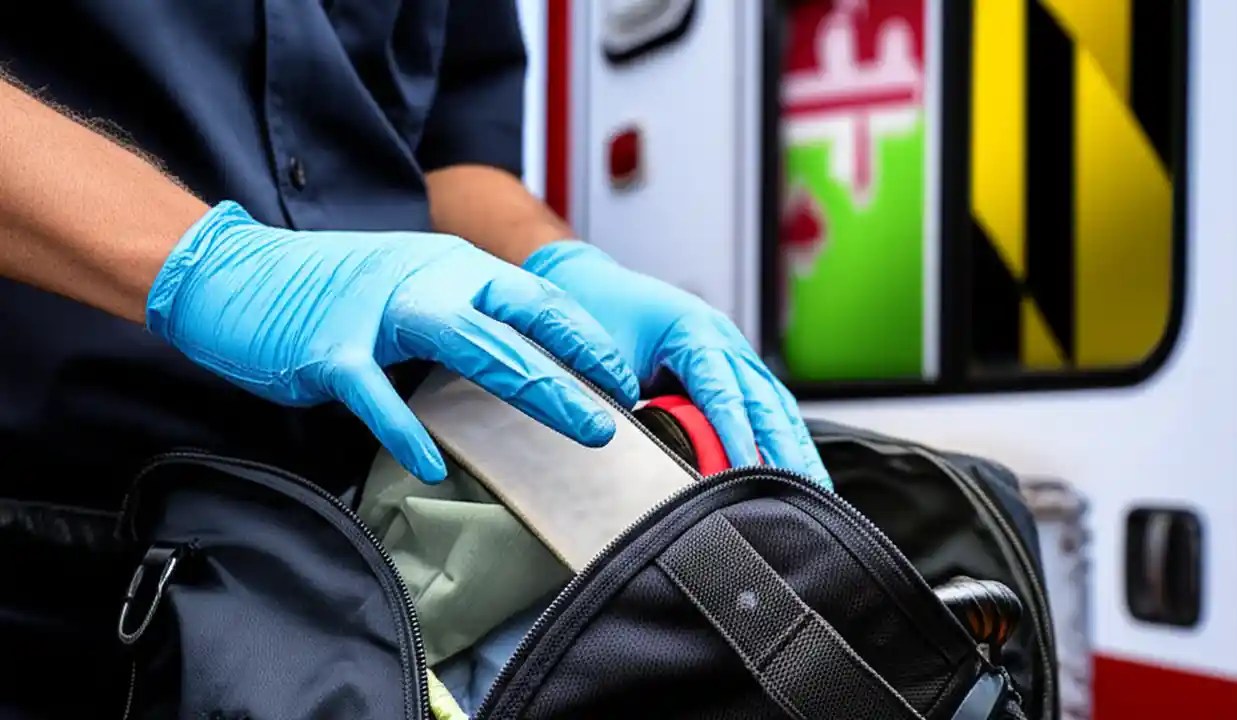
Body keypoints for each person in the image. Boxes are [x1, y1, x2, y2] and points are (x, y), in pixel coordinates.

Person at [0, 1, 829, 715]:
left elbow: (452, 157)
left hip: (343, 555)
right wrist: (210, 267)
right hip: (43, 546)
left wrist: (557, 265)